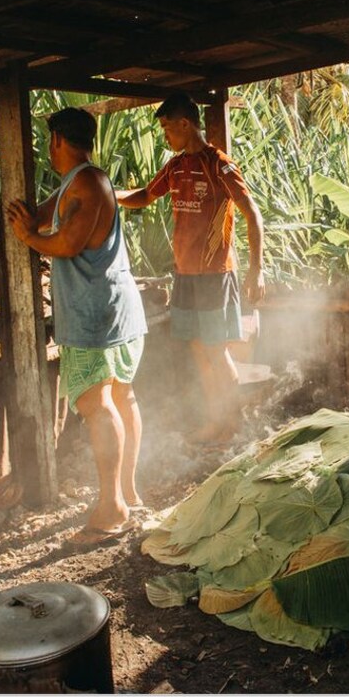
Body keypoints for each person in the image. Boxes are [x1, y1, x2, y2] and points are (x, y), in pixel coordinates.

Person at [0, 107, 148, 547]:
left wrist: (27, 240)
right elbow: (31, 219)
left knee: (99, 406)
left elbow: (64, 243)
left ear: (57, 139)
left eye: (48, 139)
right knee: (119, 396)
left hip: (96, 314)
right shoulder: (76, 184)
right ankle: (127, 492)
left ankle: (113, 507)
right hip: (113, 309)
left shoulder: (88, 183)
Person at [116, 93, 265, 448]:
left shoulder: (219, 164)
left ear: (185, 124)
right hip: (185, 276)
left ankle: (235, 427)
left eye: (168, 128)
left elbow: (252, 214)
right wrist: (112, 194)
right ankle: (217, 422)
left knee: (216, 351)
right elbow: (144, 196)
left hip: (215, 274)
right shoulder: (175, 167)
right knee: (200, 350)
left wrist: (256, 269)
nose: (165, 136)